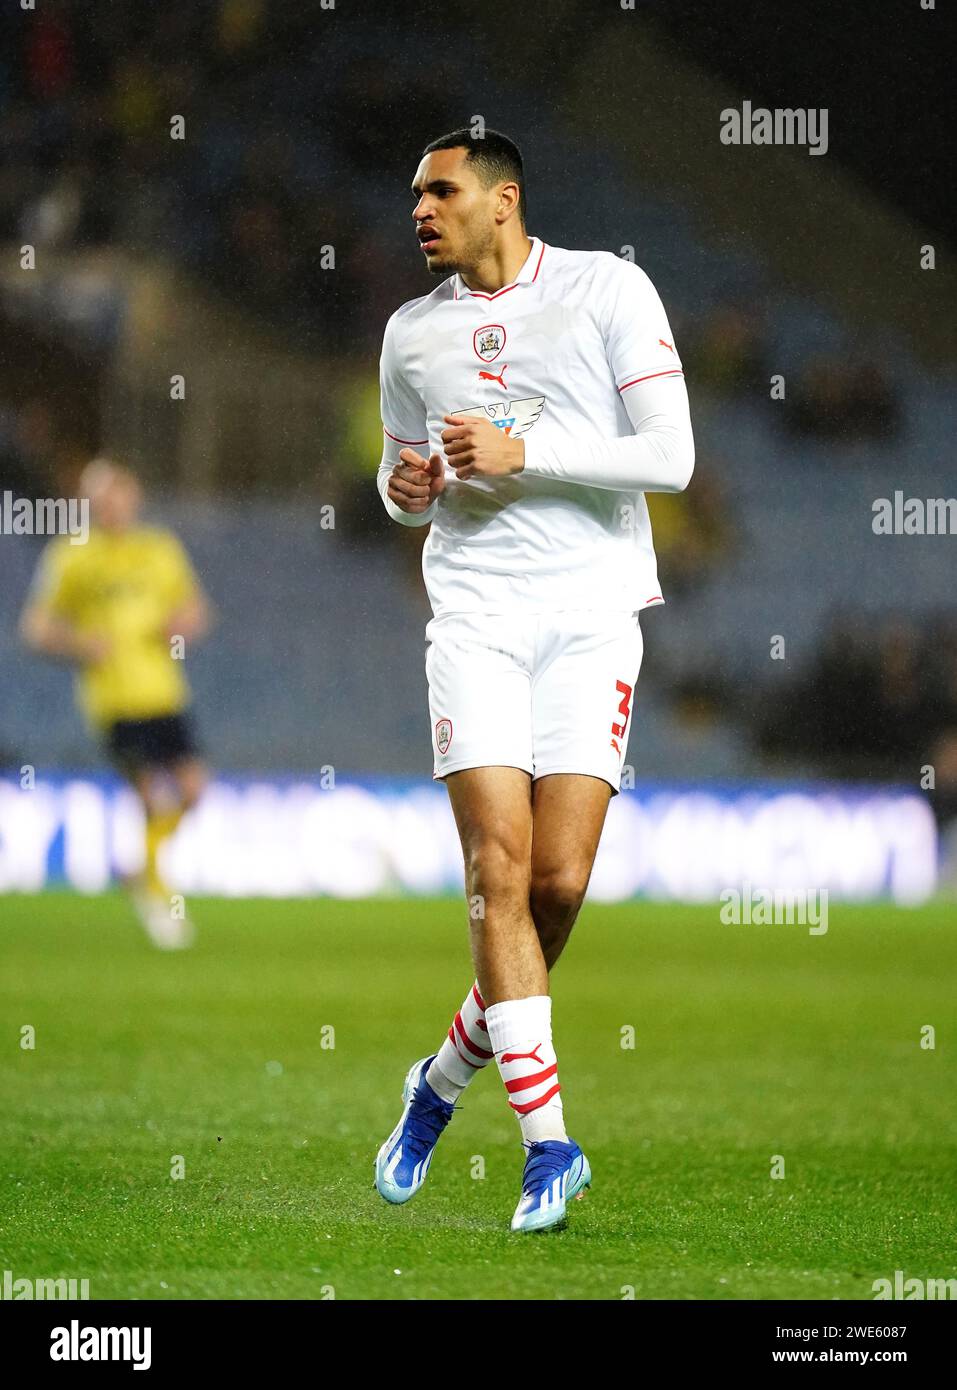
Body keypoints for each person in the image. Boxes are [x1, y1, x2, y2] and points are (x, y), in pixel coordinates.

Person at [373, 130, 695, 1231]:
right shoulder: (411, 336)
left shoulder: (608, 288)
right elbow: (398, 477)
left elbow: (671, 457)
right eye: (415, 194)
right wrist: (407, 484)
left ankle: (440, 1081)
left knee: (555, 886)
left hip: (595, 617)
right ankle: (549, 1147)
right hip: (476, 617)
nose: (421, 208)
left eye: (441, 190)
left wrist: (532, 453)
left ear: (502, 199)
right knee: (496, 868)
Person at [20, 458, 211, 948]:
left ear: (134, 497)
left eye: (117, 495)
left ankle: (136, 868)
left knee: (192, 789)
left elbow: (195, 609)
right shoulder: (72, 555)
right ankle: (158, 896)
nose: (110, 506)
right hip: (113, 700)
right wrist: (80, 644)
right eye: (99, 498)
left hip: (164, 691)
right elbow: (36, 628)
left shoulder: (159, 549)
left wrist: (179, 627)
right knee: (154, 797)